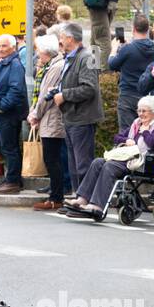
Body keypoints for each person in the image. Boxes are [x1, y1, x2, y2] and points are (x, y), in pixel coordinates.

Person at [62, 96, 154, 218]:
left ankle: (97, 206)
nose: (140, 114)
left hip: (142, 163)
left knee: (109, 166)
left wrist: (145, 131)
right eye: (139, 111)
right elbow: (117, 137)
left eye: (144, 111)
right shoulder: (136, 124)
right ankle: (82, 199)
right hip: (126, 158)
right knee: (97, 162)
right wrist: (127, 140)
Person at [54, 22, 103, 191]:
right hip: (71, 117)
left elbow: (89, 88)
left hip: (82, 118)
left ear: (70, 38)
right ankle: (77, 198)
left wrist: (64, 95)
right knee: (73, 164)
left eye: (61, 37)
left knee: (82, 164)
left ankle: (84, 198)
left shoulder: (87, 57)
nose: (60, 41)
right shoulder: (71, 57)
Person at [0, 33, 29, 194]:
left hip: (8, 114)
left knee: (10, 148)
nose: (1, 49)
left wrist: (2, 107)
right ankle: (12, 178)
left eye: (5, 46)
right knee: (5, 147)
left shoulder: (15, 65)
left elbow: (16, 90)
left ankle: (12, 182)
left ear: (13, 47)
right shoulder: (1, 64)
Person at [28, 34, 66, 211]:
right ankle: (55, 192)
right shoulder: (54, 64)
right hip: (50, 118)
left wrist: (35, 114)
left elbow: (46, 96)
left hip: (52, 118)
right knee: (52, 158)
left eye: (39, 52)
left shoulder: (55, 67)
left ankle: (56, 197)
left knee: (52, 158)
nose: (38, 55)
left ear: (46, 52)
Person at [108, 13, 154, 132]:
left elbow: (112, 64)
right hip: (148, 97)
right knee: (146, 131)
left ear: (134, 29)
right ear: (148, 28)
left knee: (127, 133)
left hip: (128, 96)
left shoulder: (128, 49)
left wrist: (114, 49)